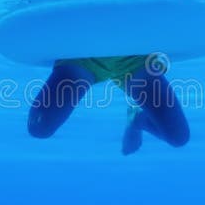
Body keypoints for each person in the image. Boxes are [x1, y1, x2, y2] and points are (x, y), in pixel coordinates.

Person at [28, 54, 189, 155]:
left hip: (135, 60)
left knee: (178, 137)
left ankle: (138, 120)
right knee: (39, 128)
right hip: (81, 57)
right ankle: (138, 119)